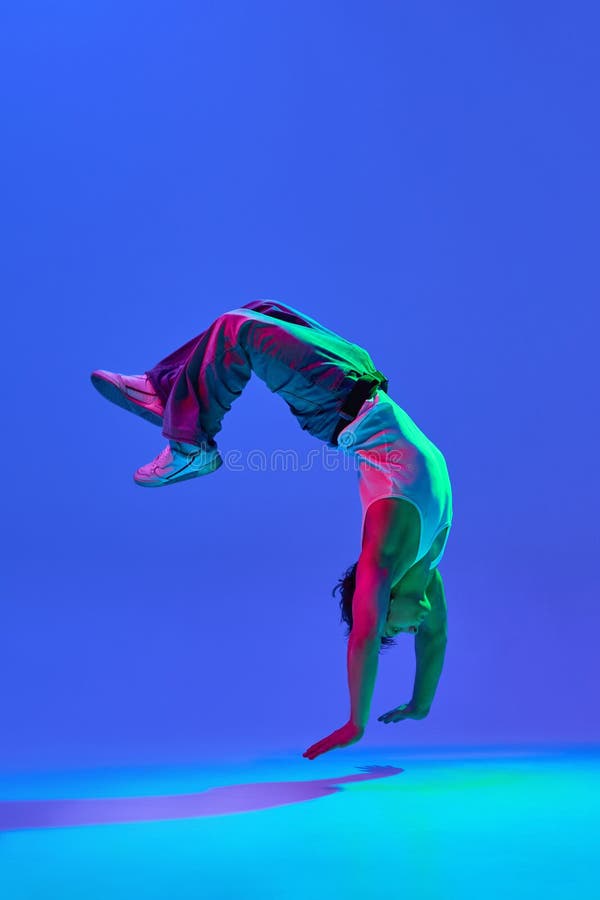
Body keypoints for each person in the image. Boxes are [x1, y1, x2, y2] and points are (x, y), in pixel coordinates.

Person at [91, 299, 453, 760]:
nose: (408, 629)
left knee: (238, 330)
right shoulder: (428, 562)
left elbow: (363, 634)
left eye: (393, 631)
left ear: (380, 604)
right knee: (261, 310)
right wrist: (420, 705)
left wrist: (355, 723)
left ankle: (190, 445)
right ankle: (165, 389)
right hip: (361, 378)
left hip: (335, 400)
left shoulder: (386, 551)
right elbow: (436, 637)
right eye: (400, 634)